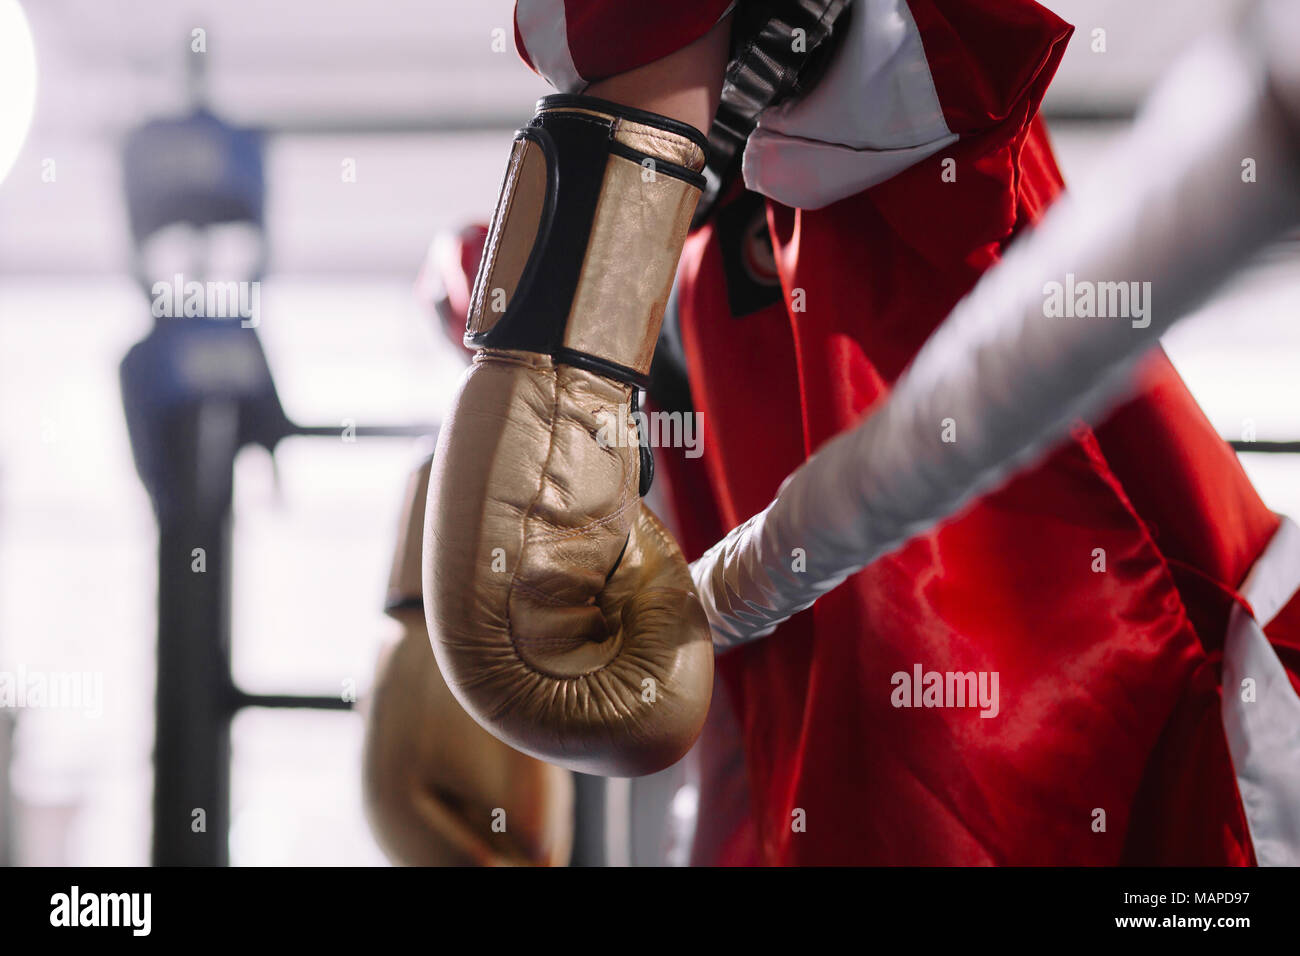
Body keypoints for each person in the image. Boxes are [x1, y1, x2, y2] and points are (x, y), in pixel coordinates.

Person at [425, 0, 1300, 865]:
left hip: (1107, 736)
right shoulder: (740, 245)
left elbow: (921, 85)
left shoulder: (861, 167)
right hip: (942, 760)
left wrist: (545, 342)